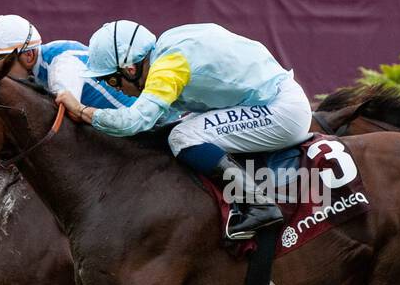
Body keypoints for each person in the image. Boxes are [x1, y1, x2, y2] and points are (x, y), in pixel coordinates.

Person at [57, 20, 312, 240]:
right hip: (271, 99)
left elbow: (135, 121)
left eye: (111, 80)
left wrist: (82, 111)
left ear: (130, 69)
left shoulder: (169, 67)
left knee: (184, 136)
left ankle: (259, 205)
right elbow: (160, 118)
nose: (114, 89)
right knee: (178, 128)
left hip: (281, 111)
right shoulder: (167, 47)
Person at [0, 14, 136, 110]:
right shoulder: (48, 58)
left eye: (1, 61)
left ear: (29, 56)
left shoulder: (62, 65)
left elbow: (63, 125)